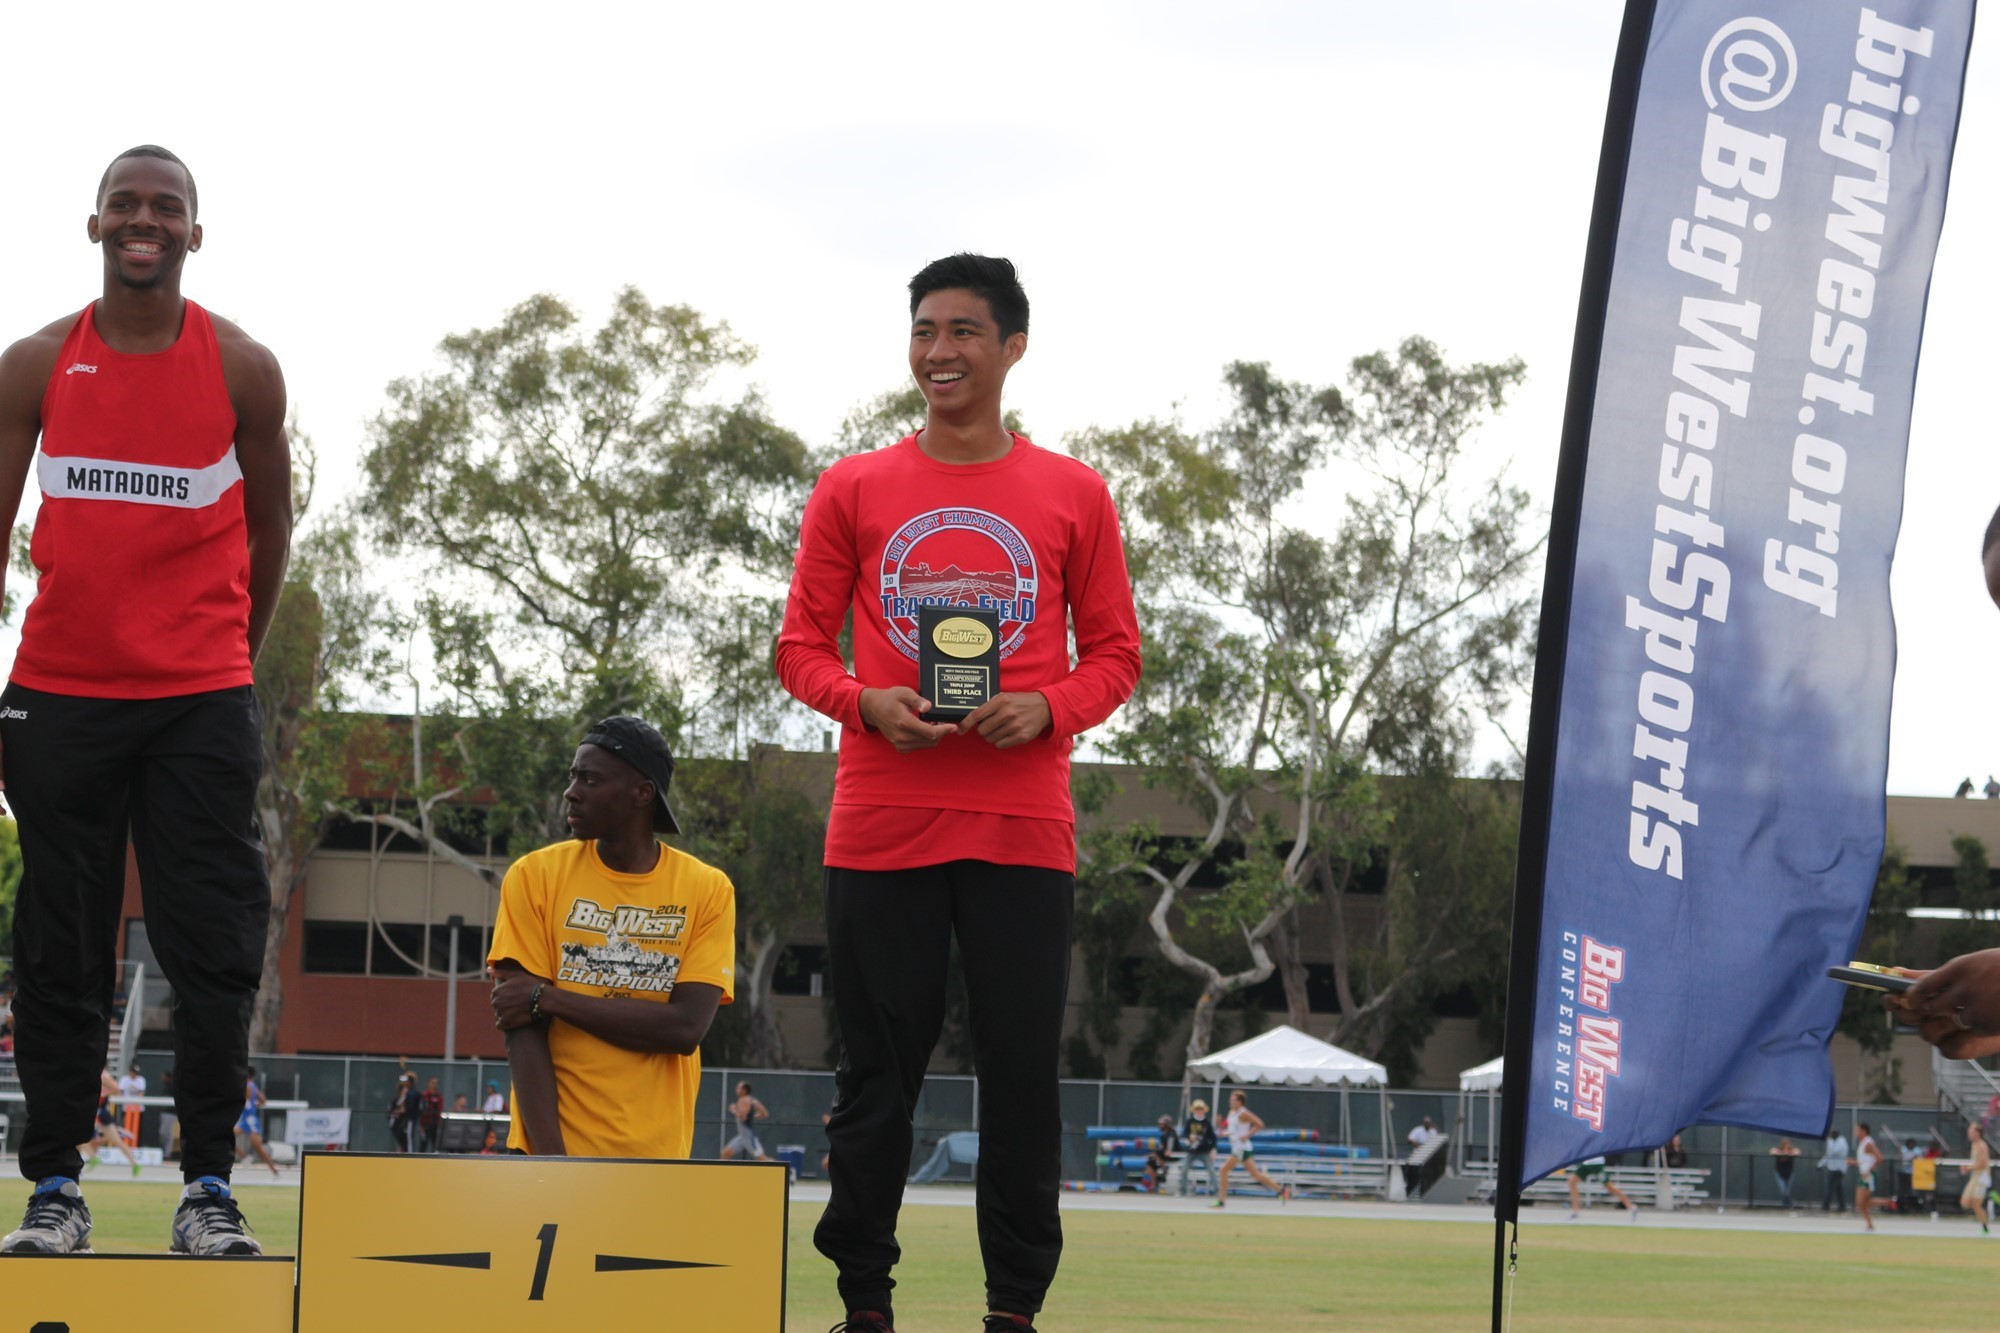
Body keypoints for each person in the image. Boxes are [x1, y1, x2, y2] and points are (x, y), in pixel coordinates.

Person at [775, 253, 1141, 1333]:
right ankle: (864, 1307)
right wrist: (863, 701)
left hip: (1022, 831)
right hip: (880, 826)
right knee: (874, 1078)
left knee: (1020, 1078)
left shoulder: (1074, 493)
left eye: (964, 331)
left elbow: (1116, 655)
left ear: (1013, 347)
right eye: (923, 330)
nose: (939, 351)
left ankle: (1012, 1312)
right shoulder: (852, 487)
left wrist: (1050, 708)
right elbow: (798, 647)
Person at [0, 145, 290, 1259]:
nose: (144, 219)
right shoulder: (35, 365)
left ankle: (208, 1186)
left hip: (197, 701)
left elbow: (272, 531)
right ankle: (54, 1187)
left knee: (213, 943)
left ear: (193, 234)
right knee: (58, 948)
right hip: (59, 697)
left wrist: (230, 666)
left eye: (166, 206)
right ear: (94, 225)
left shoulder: (244, 369)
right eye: (124, 202)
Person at [487, 717, 735, 1159]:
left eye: (590, 779)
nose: (571, 792)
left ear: (642, 793)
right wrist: (553, 1161)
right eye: (572, 777)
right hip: (550, 1154)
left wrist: (548, 998)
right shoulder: (534, 876)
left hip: (656, 1157)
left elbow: (684, 1029)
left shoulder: (707, 889)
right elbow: (519, 1024)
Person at [1212, 1090, 1289, 1208]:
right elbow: (1233, 1131)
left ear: (1240, 1102)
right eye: (1230, 1099)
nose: (1230, 1101)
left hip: (1241, 1149)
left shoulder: (1244, 1113)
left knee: (1223, 1171)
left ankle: (1221, 1201)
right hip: (1238, 1148)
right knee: (1256, 1175)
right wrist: (1223, 1133)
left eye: (1233, 1100)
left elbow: (1260, 1124)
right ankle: (1281, 1190)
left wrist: (1247, 1135)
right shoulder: (1231, 1112)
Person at [80, 1069, 140, 1177]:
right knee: (114, 1140)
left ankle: (93, 1158)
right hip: (99, 1112)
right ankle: (134, 1163)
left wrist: (102, 1093)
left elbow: (116, 1088)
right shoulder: (98, 1074)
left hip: (99, 1112)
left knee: (79, 1137)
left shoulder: (102, 1075)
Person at [235, 1067, 280, 1178]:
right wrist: (253, 1105)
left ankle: (274, 1171)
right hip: (248, 1120)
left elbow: (244, 1101)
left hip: (250, 1122)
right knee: (227, 1137)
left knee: (259, 1149)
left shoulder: (247, 1086)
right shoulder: (253, 1086)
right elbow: (263, 1100)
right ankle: (246, 1157)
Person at [1566, 1156, 1638, 1219]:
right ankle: (1576, 1211)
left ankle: (1631, 1207)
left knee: (1609, 1187)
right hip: (1587, 1162)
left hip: (1596, 1163)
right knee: (1572, 1182)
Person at [721, 1081, 775, 1161]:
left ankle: (782, 1167)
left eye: (738, 1088)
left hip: (748, 1138)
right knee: (725, 1153)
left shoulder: (743, 1100)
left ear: (744, 1090)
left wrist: (734, 1110)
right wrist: (751, 1117)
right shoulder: (752, 1100)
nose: (736, 1090)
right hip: (742, 1137)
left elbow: (742, 1118)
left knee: (762, 1159)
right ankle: (726, 1170)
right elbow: (765, 1114)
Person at [1179, 1100, 1218, 1198]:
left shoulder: (1207, 1123)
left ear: (1204, 1110)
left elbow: (1213, 1137)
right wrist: (1189, 1138)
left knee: (1212, 1171)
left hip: (1204, 1151)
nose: (1199, 1111)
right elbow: (1184, 1133)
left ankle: (1217, 1192)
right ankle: (1183, 1191)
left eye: (1201, 1109)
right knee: (1184, 1171)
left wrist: (1213, 1149)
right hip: (1192, 1151)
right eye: (1197, 1109)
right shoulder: (1190, 1121)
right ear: (1194, 1110)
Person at [1964, 1124, 1993, 1234]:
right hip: (1975, 1176)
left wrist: (1968, 1168)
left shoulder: (1982, 1146)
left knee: (1976, 1204)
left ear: (1977, 1133)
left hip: (1981, 1178)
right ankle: (1988, 1197)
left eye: (1971, 1132)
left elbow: (1983, 1164)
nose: (1969, 1134)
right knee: (1965, 1202)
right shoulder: (1974, 1145)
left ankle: (1985, 1228)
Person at [1142, 1115, 1180, 1194]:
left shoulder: (1171, 1134)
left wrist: (1168, 1150)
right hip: (1163, 1156)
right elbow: (1161, 1147)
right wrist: (1154, 1155)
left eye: (1162, 1124)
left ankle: (1164, 1168)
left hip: (1174, 1155)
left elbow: (1170, 1145)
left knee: (1156, 1153)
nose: (1160, 1126)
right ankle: (1154, 1185)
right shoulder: (1163, 1135)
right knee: (1150, 1162)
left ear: (1167, 1125)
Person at [387, 1072, 422, 1154]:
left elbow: (415, 1107)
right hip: (400, 1120)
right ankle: (401, 1151)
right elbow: (395, 1106)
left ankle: (409, 1154)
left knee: (408, 1137)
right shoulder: (401, 1095)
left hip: (409, 1119)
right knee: (401, 1138)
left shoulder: (414, 1093)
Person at [1854, 1123, 1880, 1232]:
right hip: (1863, 1175)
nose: (1855, 1132)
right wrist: (1852, 1162)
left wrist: (1870, 1171)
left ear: (1863, 1131)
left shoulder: (1868, 1143)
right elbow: (1864, 1161)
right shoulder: (1862, 1143)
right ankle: (1869, 1225)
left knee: (1861, 1202)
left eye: (1857, 1130)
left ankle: (1888, 1202)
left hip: (1867, 1176)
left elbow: (1880, 1158)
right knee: (1861, 1203)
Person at [116, 1065, 146, 1149]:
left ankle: (137, 1145)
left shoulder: (141, 1080)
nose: (134, 1074)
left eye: (136, 1073)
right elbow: (120, 1091)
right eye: (133, 1072)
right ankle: (125, 1145)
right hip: (126, 1108)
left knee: (137, 1128)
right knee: (125, 1128)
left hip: (138, 1109)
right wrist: (122, 1101)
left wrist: (135, 1102)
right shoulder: (124, 1079)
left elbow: (141, 1092)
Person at [1820, 1130, 1850, 1213]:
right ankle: (1842, 1206)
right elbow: (1828, 1155)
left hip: (1838, 1169)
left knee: (1830, 1187)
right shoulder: (1833, 1141)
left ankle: (1826, 1206)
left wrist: (1829, 1141)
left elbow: (1833, 1152)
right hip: (1832, 1168)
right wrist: (1820, 1164)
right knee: (1838, 1188)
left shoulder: (1841, 1142)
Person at [1770, 1138, 1801, 1211]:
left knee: (1787, 1190)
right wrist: (1782, 1154)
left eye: (1787, 1144)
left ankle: (1785, 1204)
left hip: (1790, 1173)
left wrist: (1789, 1154)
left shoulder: (1792, 1151)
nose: (1786, 1146)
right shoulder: (1778, 1150)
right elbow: (1772, 1151)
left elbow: (1798, 1152)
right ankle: (1789, 1203)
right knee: (1783, 1190)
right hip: (1779, 1173)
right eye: (1784, 1144)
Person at [419, 1076, 444, 1153]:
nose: (434, 1085)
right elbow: (421, 1111)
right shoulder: (424, 1095)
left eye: (436, 1083)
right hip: (426, 1124)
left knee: (435, 1144)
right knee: (424, 1144)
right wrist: (421, 1125)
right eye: (432, 1083)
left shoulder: (439, 1096)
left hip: (436, 1124)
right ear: (428, 1084)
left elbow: (440, 1109)